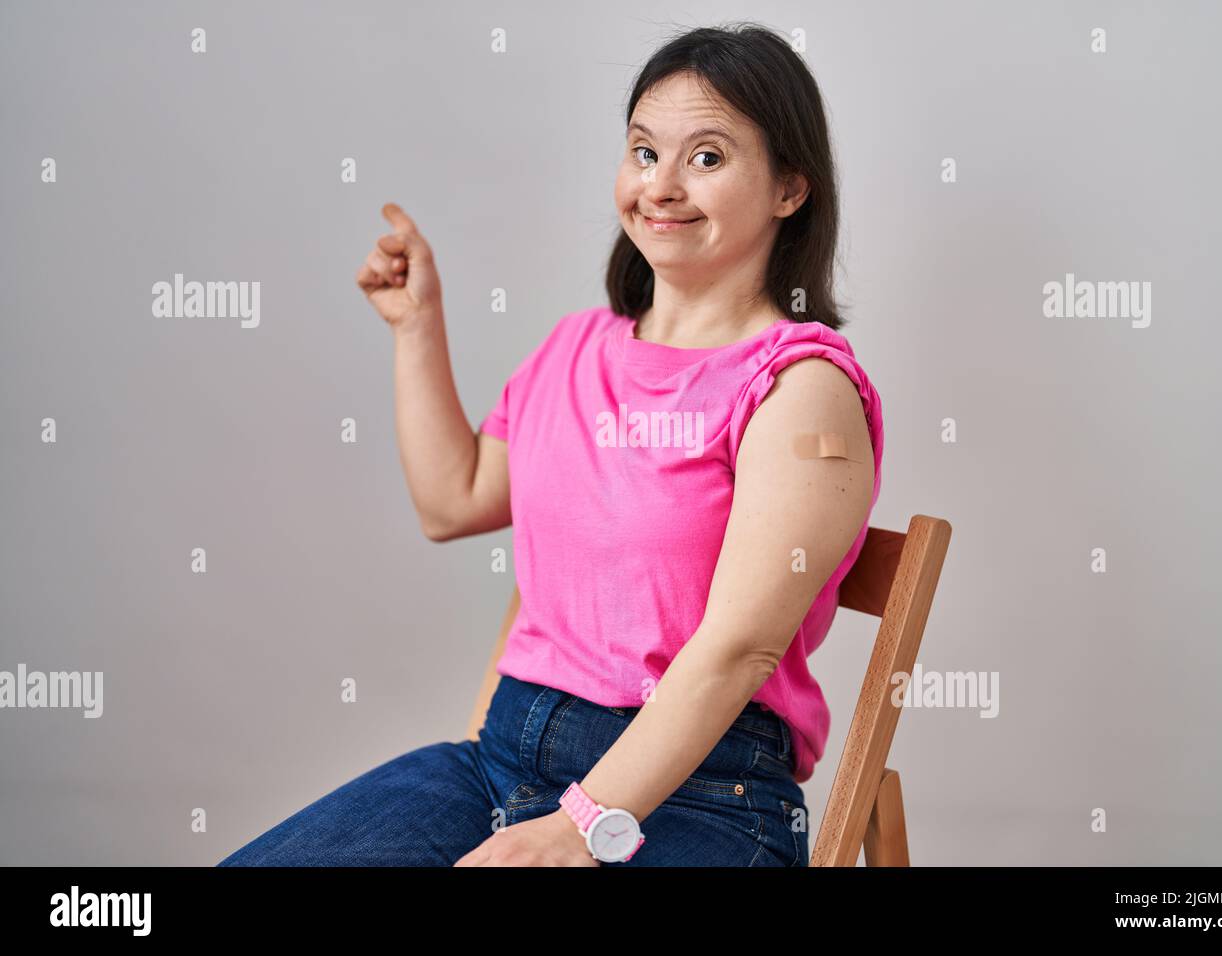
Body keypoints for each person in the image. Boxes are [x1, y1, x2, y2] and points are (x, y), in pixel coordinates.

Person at [218, 21, 884, 868]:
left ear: (791, 188)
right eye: (645, 152)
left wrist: (583, 825)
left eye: (707, 158)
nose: (663, 186)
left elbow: (738, 648)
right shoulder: (575, 349)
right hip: (501, 758)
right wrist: (418, 327)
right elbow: (451, 501)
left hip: (703, 793)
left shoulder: (801, 389)